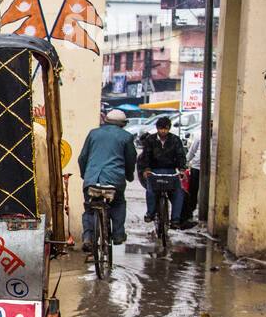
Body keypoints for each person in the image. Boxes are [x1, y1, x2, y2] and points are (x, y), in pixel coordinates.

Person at [77, 107, 136, 254]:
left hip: (92, 179)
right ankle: (117, 234)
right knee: (118, 203)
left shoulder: (93, 133)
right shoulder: (126, 137)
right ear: (123, 124)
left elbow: (82, 158)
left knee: (90, 209)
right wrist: (129, 176)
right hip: (114, 181)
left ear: (106, 121)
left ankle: (89, 237)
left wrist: (86, 176)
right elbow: (130, 161)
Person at [138, 115, 188, 226]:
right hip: (154, 171)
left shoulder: (175, 140)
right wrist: (146, 169)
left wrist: (182, 169)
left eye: (165, 128)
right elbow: (146, 156)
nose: (163, 131)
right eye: (161, 128)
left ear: (169, 128)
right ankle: (150, 213)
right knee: (150, 191)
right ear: (157, 128)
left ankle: (175, 219)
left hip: (170, 171)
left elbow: (180, 155)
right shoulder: (150, 140)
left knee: (178, 193)